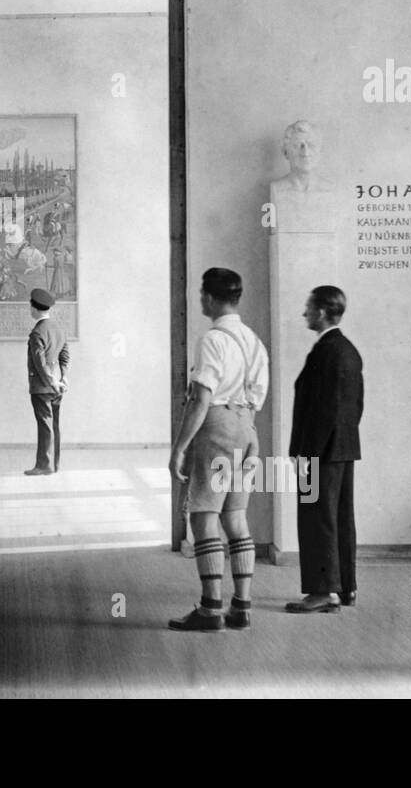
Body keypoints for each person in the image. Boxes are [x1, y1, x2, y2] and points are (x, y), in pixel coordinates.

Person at [168, 267, 269, 632]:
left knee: (204, 516)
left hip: (216, 429)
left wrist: (179, 448)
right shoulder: (254, 341)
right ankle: (242, 606)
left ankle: (211, 609)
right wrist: (246, 429)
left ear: (209, 298)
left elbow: (201, 400)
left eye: (201, 295)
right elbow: (257, 397)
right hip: (247, 428)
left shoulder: (212, 340)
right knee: (236, 518)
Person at [285, 286, 363, 614]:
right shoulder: (348, 350)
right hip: (343, 449)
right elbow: (353, 408)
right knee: (340, 518)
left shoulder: (326, 351)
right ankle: (344, 587)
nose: (304, 313)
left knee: (317, 518)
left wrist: (306, 455)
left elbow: (323, 411)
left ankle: (321, 591)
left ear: (321, 312)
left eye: (308, 308)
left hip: (320, 452)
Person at [25, 287, 70, 476]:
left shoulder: (37, 332)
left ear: (35, 308)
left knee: (45, 426)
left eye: (30, 306)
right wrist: (63, 377)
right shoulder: (58, 328)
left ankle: (44, 465)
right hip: (57, 386)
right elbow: (65, 355)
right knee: (54, 426)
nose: (30, 309)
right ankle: (54, 464)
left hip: (42, 387)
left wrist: (51, 381)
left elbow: (40, 363)